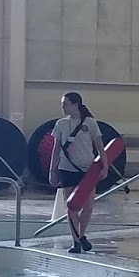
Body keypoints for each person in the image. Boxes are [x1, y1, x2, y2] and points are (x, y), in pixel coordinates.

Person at [50, 92, 105, 253]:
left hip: (88, 169)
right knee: (72, 206)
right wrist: (52, 169)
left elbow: (100, 146)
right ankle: (76, 240)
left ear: (75, 105)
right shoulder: (60, 124)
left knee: (88, 206)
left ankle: (81, 235)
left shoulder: (90, 123)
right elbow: (56, 149)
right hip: (67, 169)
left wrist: (105, 166)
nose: (62, 107)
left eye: (65, 104)